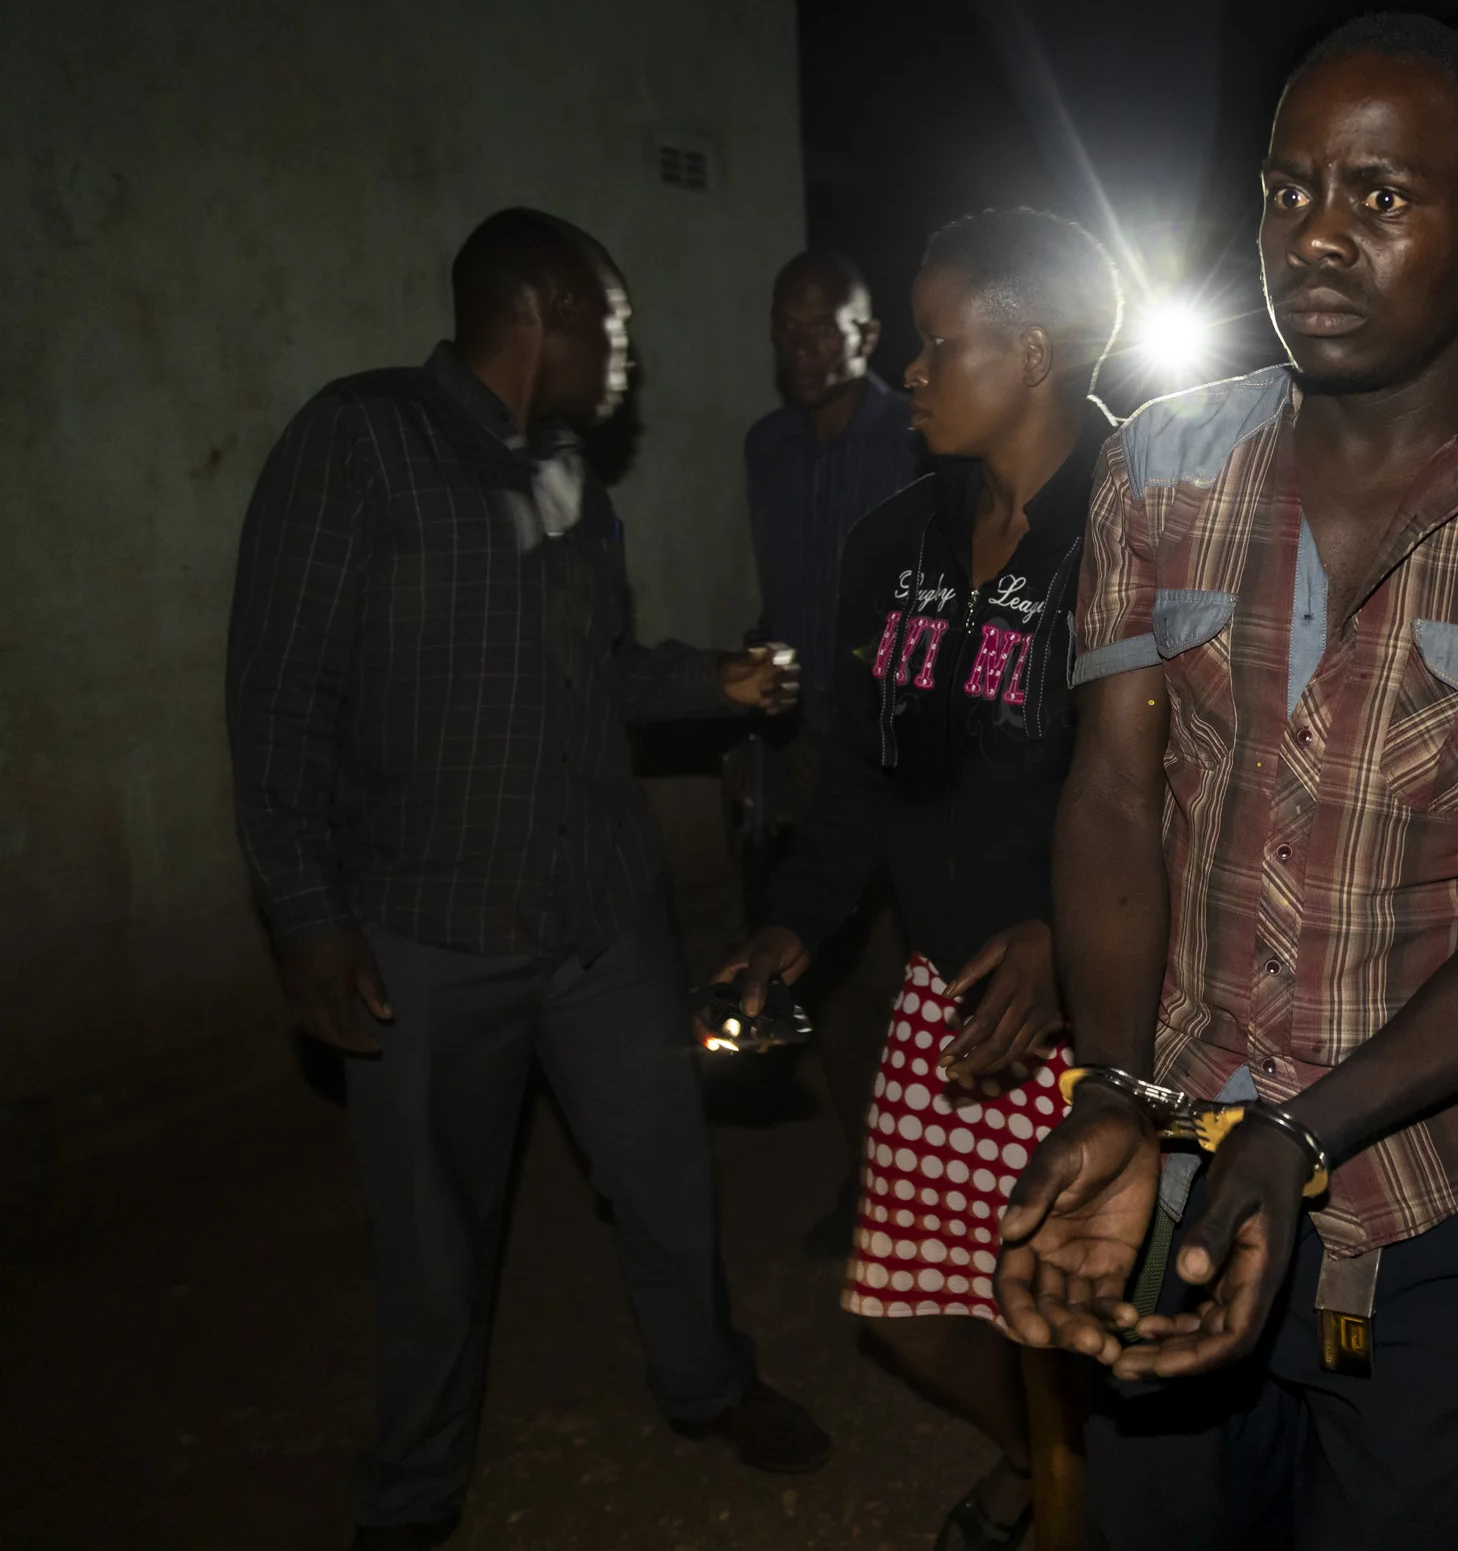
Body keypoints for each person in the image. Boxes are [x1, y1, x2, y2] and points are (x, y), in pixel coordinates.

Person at [995, 14, 1458, 1550]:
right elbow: (1115, 800)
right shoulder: (1163, 469)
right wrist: (1117, 1090)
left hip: (1426, 1197)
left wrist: (1303, 1129)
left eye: (1381, 198)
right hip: (1174, 1163)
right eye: (1287, 188)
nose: (1315, 236)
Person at [225, 207, 831, 1551]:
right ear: (543, 309)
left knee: (668, 1167)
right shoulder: (361, 440)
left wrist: (712, 682)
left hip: (601, 919)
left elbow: (596, 677)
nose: (633, 358)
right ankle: (417, 1481)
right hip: (433, 928)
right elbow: (277, 700)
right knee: (437, 1232)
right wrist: (309, 915)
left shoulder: (571, 479)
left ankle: (705, 1380)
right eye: (615, 326)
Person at [714, 207, 1123, 1551]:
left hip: (1095, 1010)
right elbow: (866, 774)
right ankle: (1039, 1464)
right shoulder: (892, 542)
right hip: (950, 997)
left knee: (1069, 1323)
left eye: (944, 343)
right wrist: (793, 918)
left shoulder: (1142, 524)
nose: (917, 374)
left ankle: (1068, 1501)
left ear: (1039, 349)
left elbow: (1198, 795)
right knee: (897, 1303)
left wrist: (1070, 937)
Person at [734, 251, 921, 920]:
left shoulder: (917, 436)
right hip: (797, 738)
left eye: (822, 327)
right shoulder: (766, 446)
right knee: (807, 929)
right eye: (786, 326)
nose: (801, 346)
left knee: (902, 931)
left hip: (896, 739)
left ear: (866, 336)